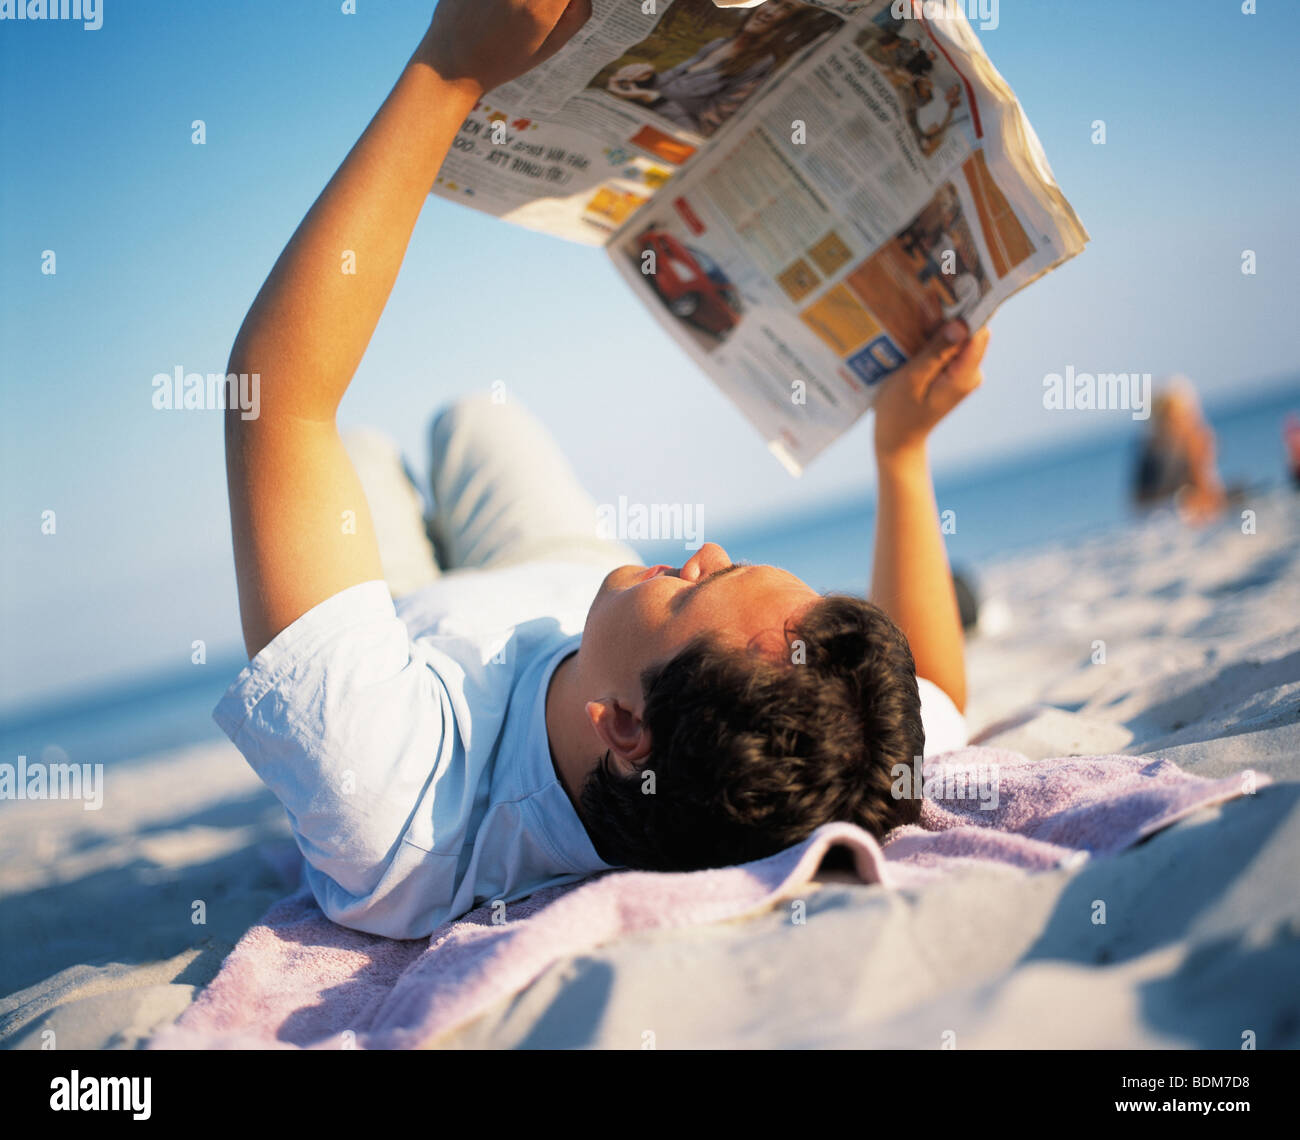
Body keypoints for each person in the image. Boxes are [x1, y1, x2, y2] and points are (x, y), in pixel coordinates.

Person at [218, 0, 988, 940]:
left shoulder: (403, 805)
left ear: (626, 729)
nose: (703, 549)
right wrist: (901, 452)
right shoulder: (825, 746)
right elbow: (941, 694)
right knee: (476, 418)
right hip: (569, 571)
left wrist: (451, 71)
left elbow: (275, 403)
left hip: (407, 617)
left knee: (359, 455)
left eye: (698, 588)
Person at [605, 0, 822, 137]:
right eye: (772, 1)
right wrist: (646, 78)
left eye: (786, 8)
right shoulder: (719, 43)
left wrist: (652, 99)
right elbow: (669, 86)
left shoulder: (759, 69)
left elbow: (701, 132)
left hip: (657, 134)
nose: (769, 11)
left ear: (790, 24)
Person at [1133, 377, 1227, 524]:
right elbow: (1206, 491)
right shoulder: (1190, 441)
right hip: (1187, 518)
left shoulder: (1153, 448)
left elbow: (1139, 504)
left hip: (1172, 521)